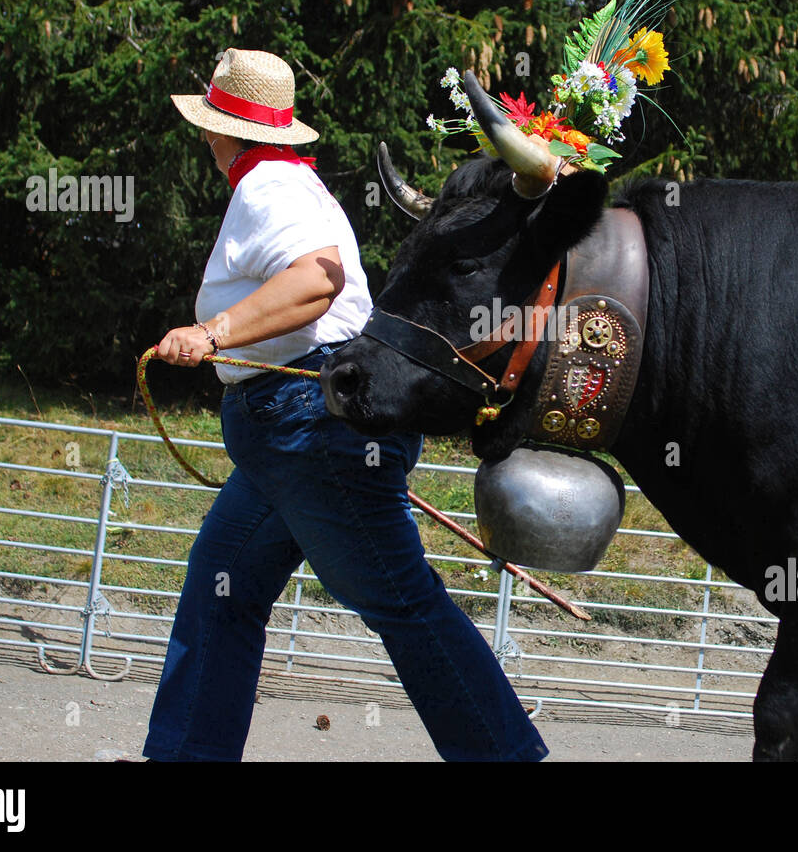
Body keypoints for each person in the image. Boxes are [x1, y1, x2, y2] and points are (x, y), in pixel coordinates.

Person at [143, 47, 547, 761]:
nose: (205, 139)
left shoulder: (264, 185)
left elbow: (314, 282)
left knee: (403, 603)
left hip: (307, 431)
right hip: (295, 441)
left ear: (225, 130)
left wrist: (211, 333)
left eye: (208, 125)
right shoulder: (292, 183)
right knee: (222, 591)